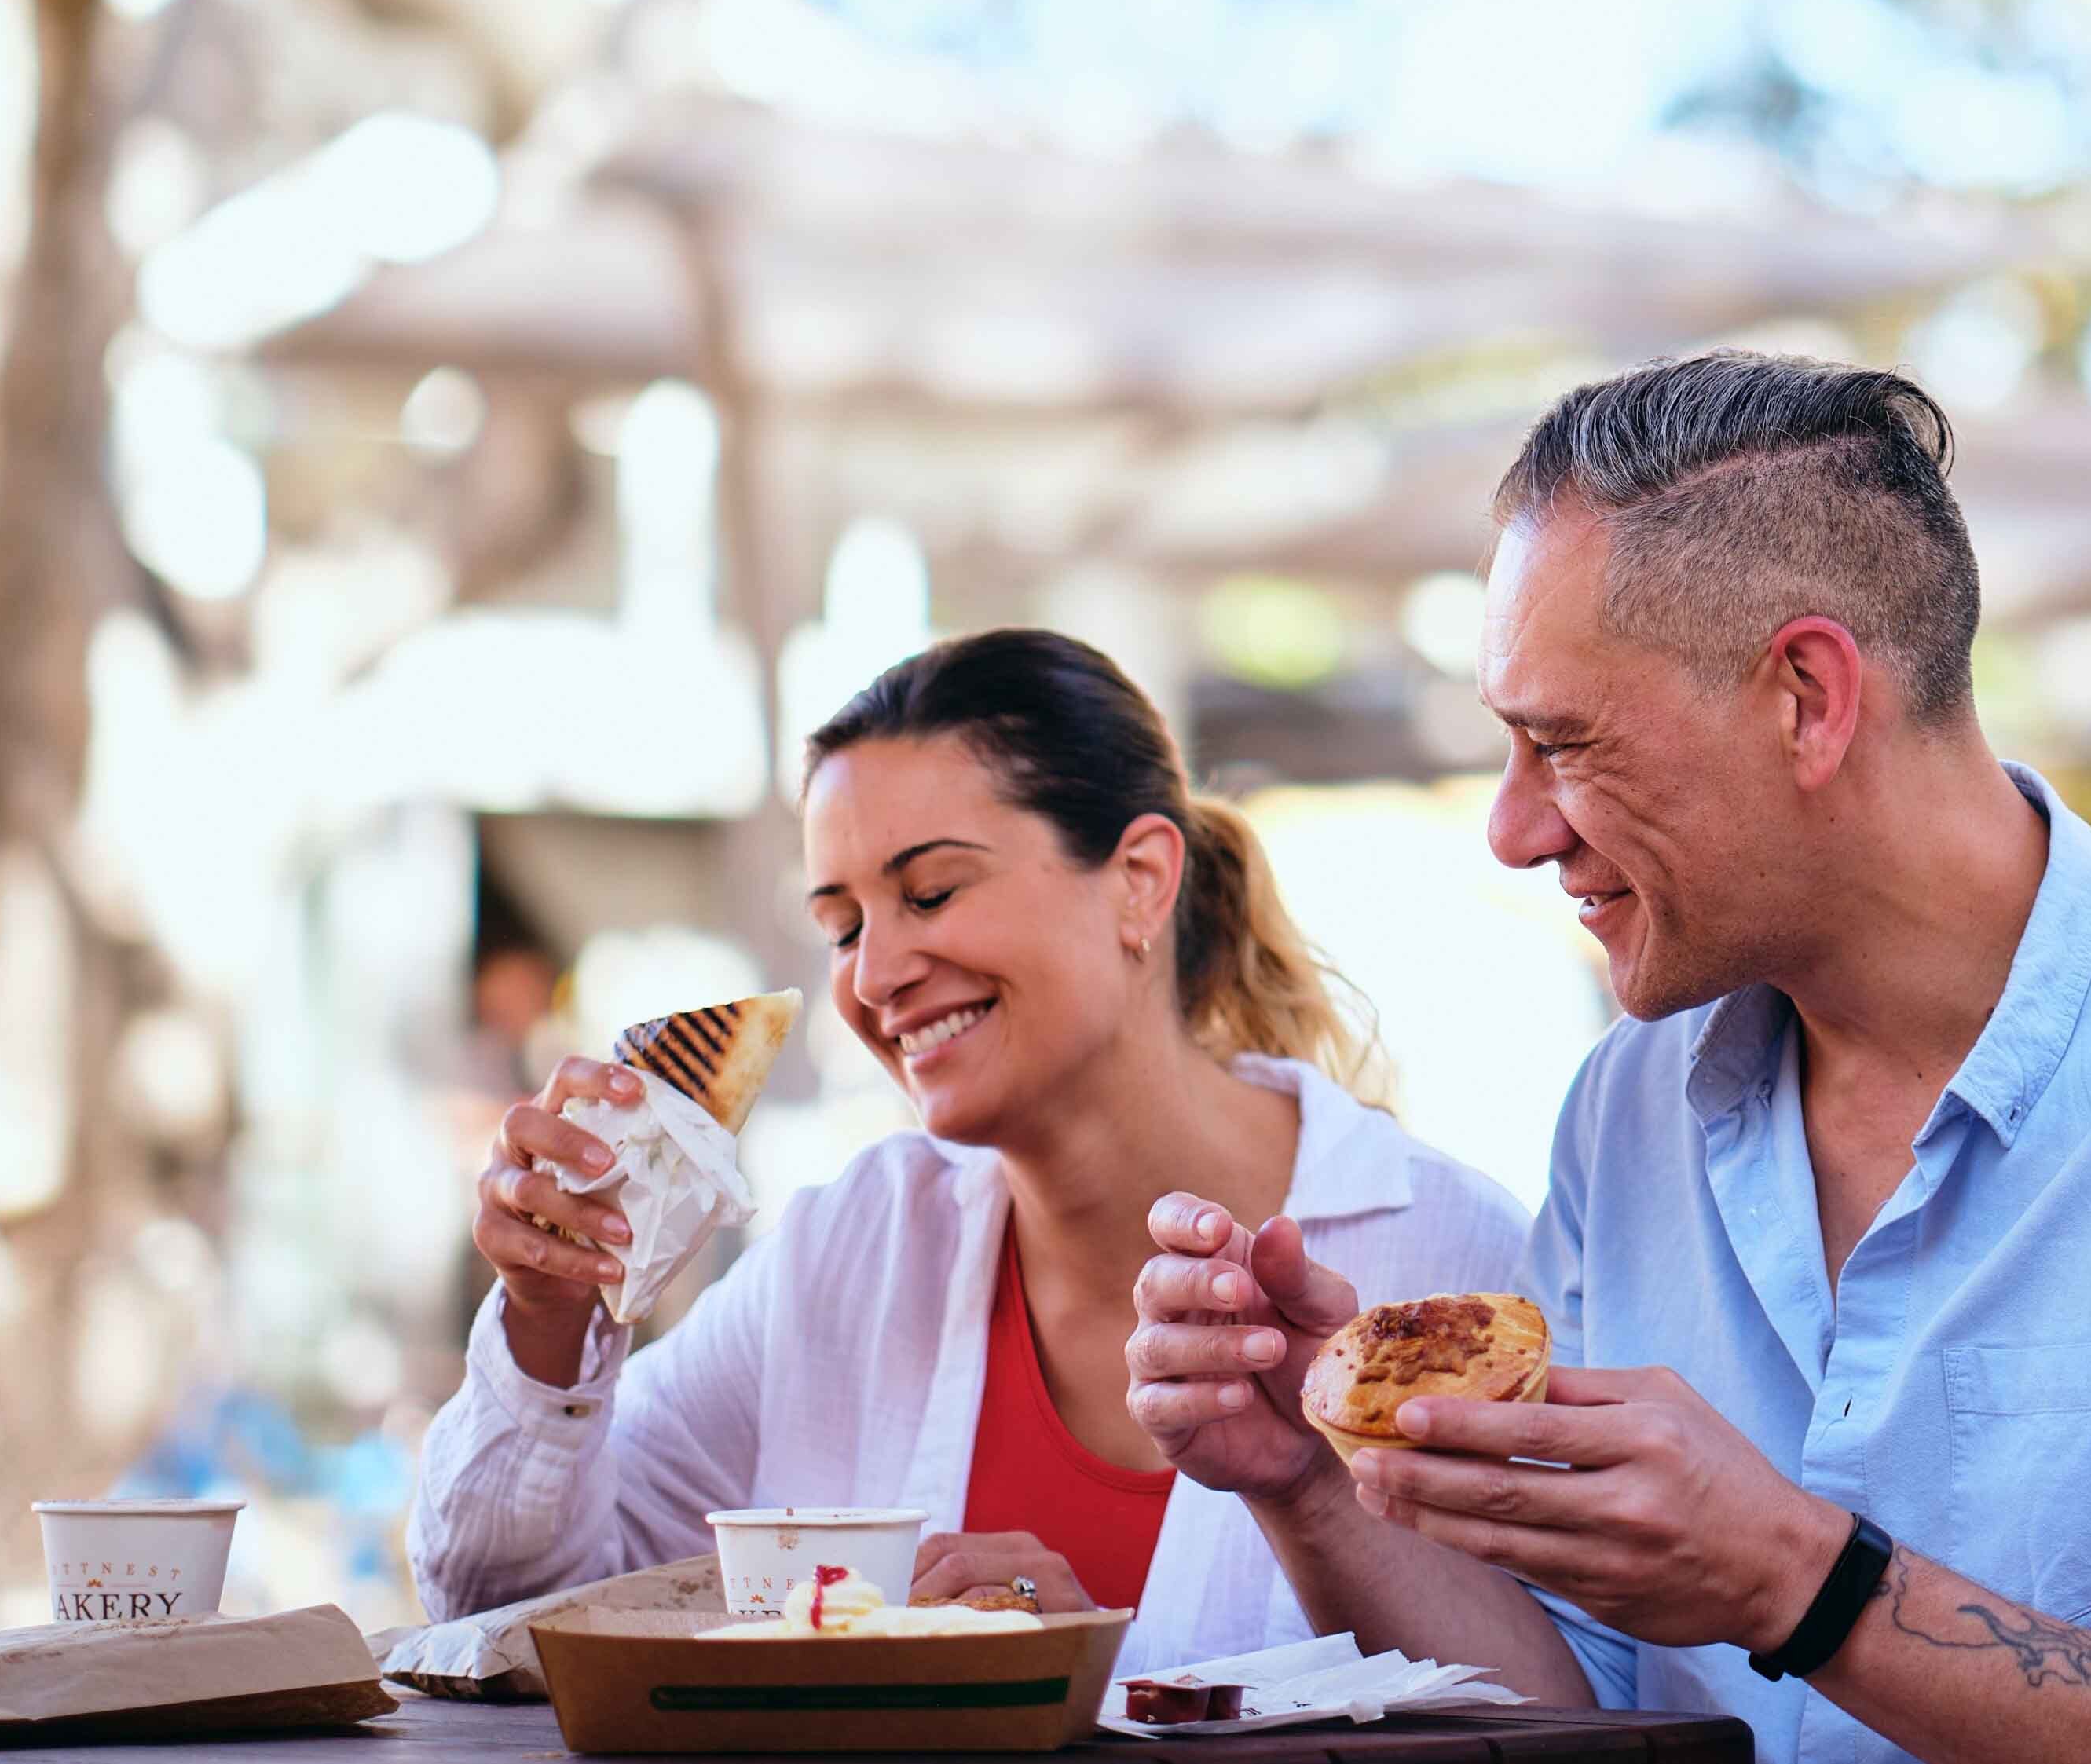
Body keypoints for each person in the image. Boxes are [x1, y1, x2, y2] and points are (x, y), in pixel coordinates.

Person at [1129, 353, 2091, 1764]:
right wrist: (1310, 1480)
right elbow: (1585, 1703)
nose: (1514, 827)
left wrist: (1801, 1578)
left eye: (1562, 743)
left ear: (1808, 694)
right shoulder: (1631, 1107)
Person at [411, 628, 1529, 1669]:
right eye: (843, 924)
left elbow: (1578, 1707)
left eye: (931, 891)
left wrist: (1074, 1667)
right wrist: (548, 1317)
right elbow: (501, 1611)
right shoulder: (850, 1247)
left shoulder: (1449, 1260)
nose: (874, 972)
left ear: (1140, 881)